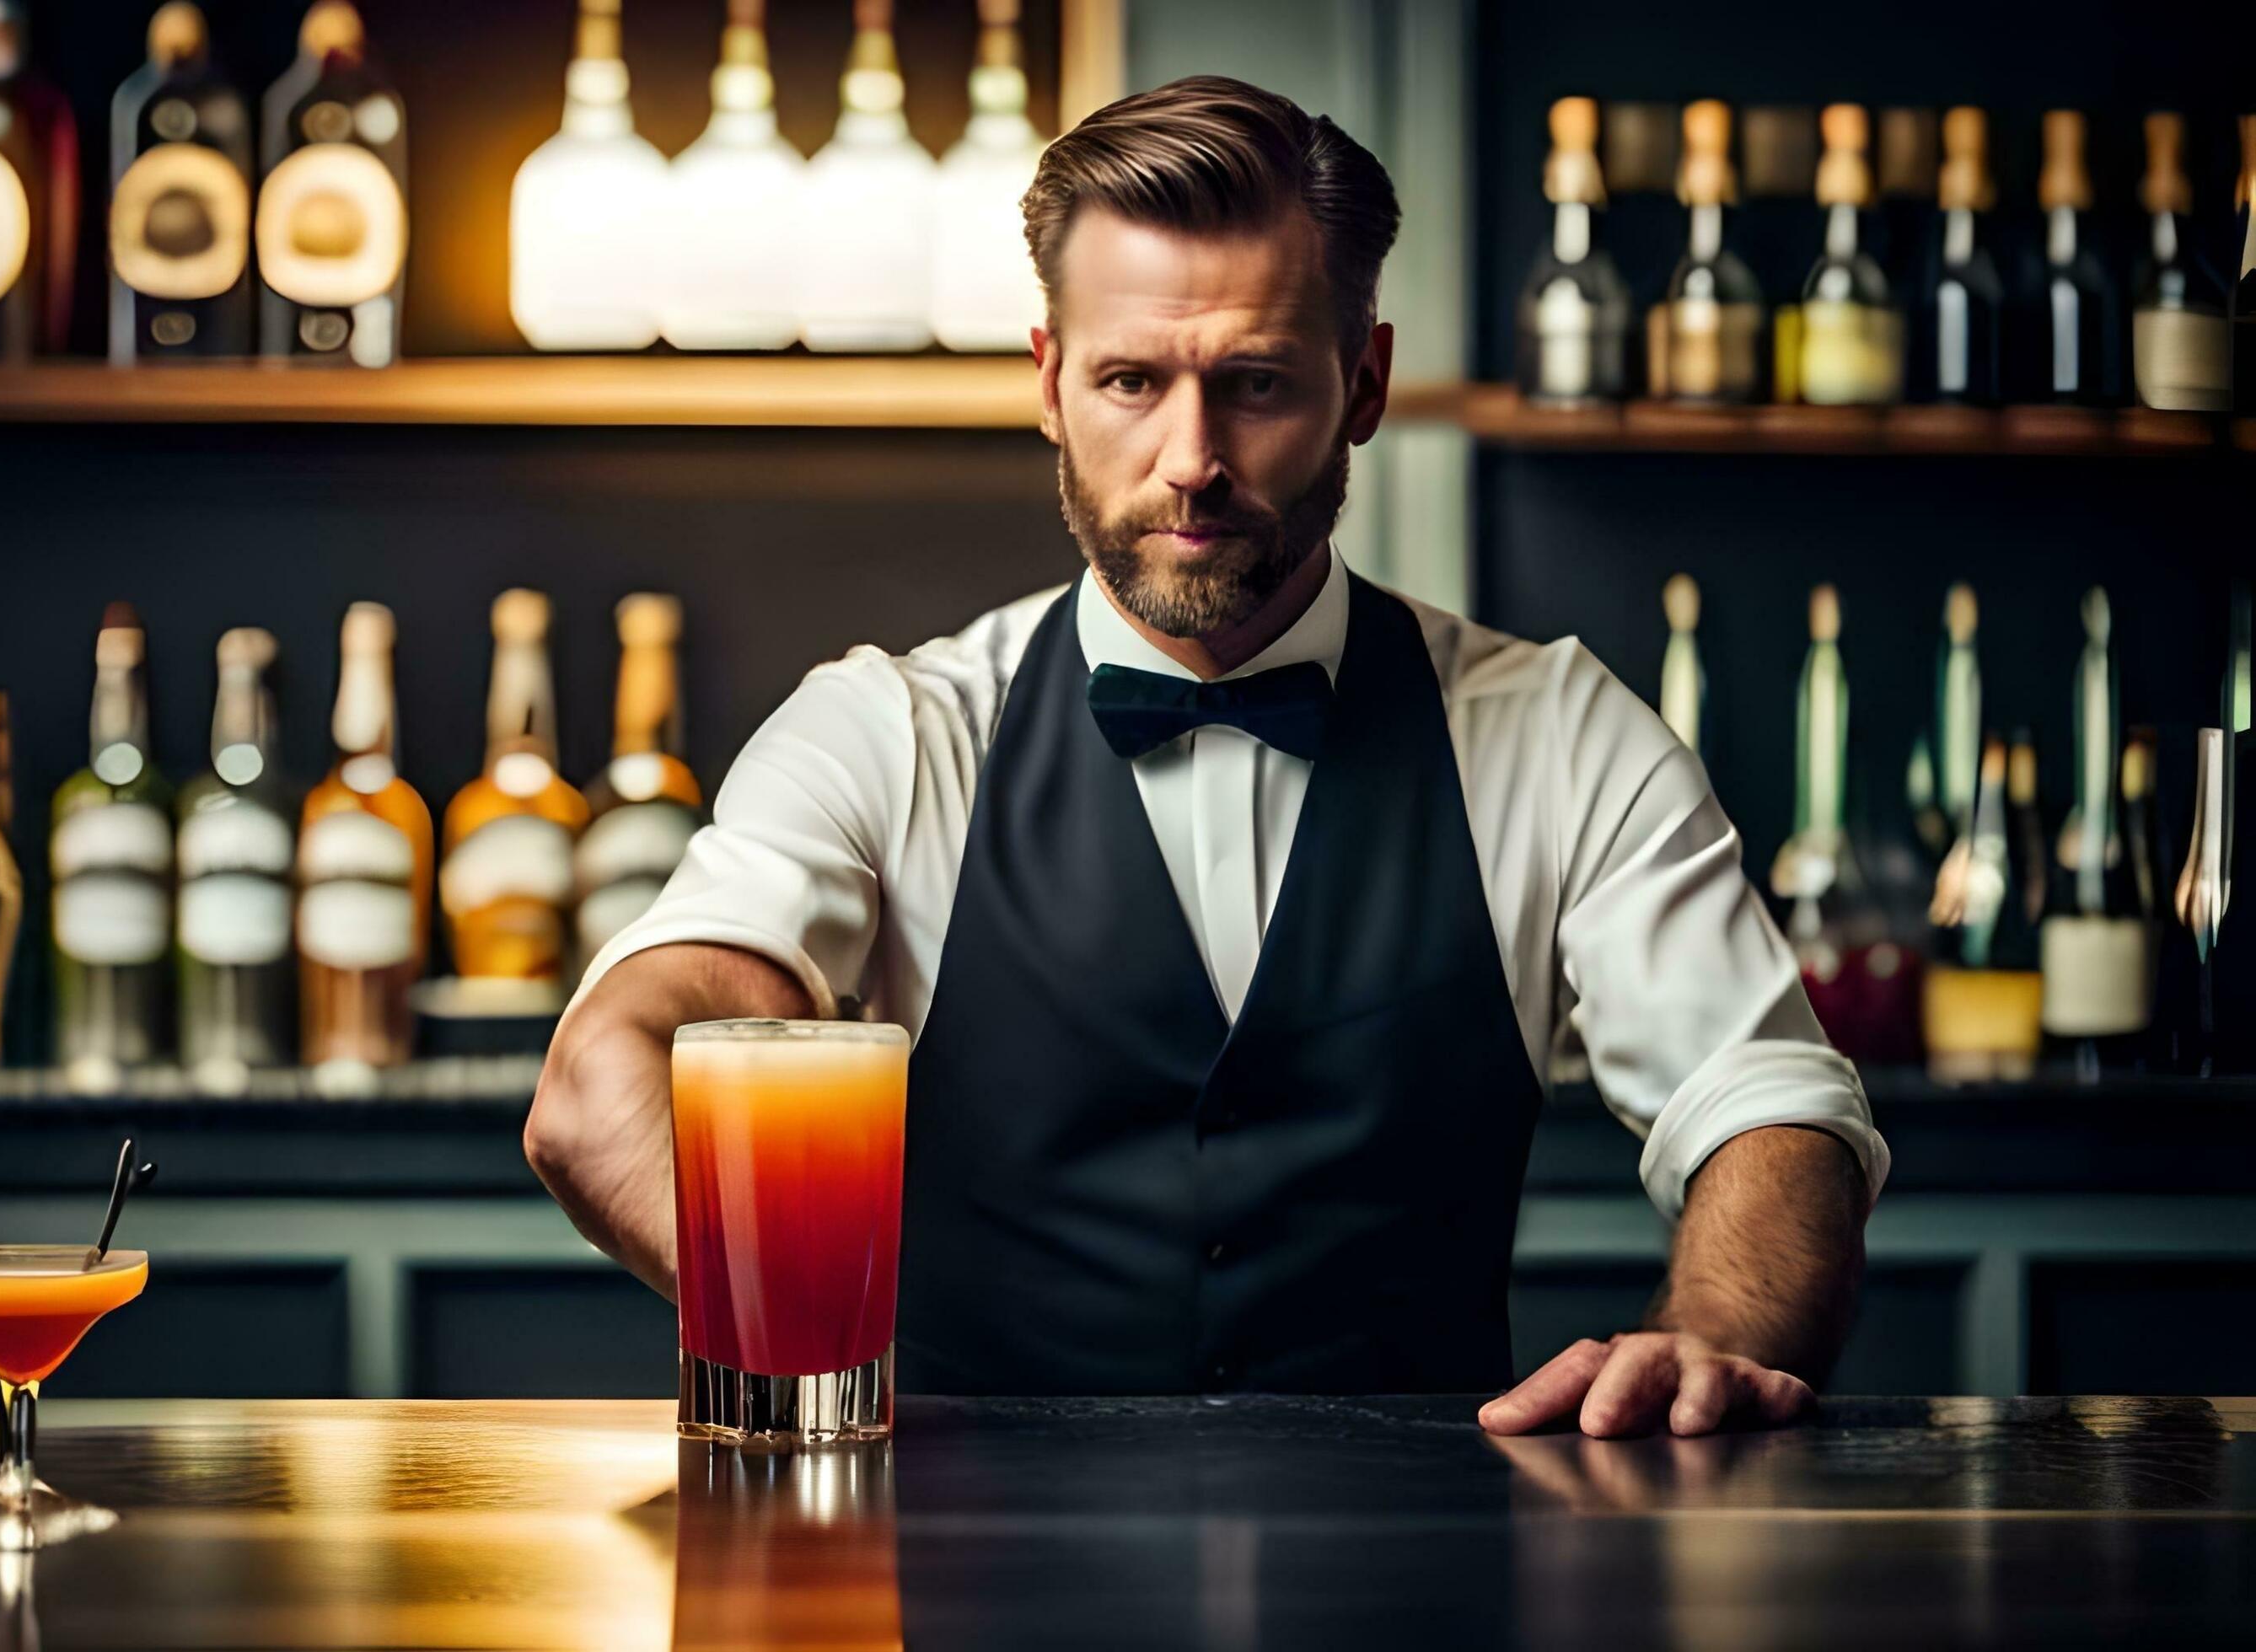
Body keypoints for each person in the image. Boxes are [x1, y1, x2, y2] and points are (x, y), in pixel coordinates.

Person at [526, 76, 1887, 1438]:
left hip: (1425, 1584)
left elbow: (1770, 1108)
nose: (1192, 459)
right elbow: (605, 1084)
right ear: (1050, 385)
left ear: (1363, 385)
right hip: (939, 1586)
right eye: (1131, 380)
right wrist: (796, 1330)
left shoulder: (1562, 735)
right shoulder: (887, 735)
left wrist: (1709, 1337)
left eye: (1255, 384)